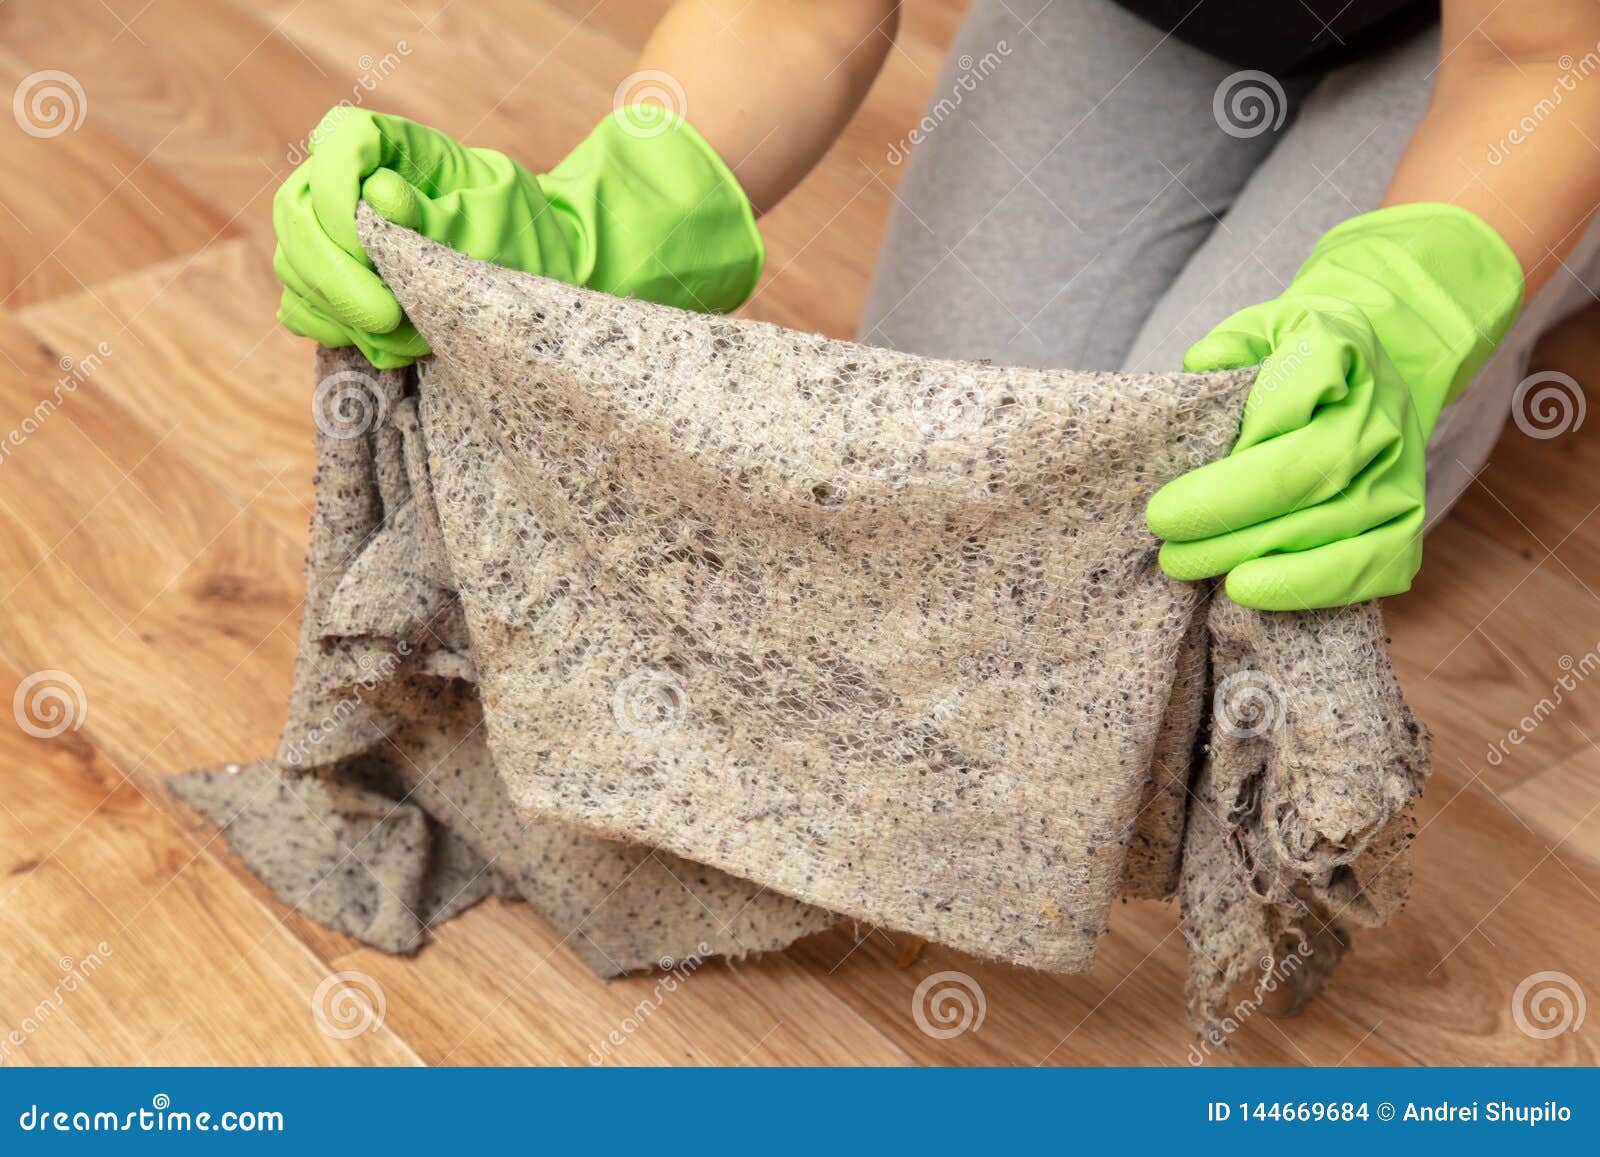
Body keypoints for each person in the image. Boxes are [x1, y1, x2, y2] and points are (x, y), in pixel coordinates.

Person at [271, 0, 1600, 612]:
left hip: (1527, 46)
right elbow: (788, 17)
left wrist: (1406, 310)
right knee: (989, 479)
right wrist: (602, 212)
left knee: (1225, 486)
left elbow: (1543, 54)